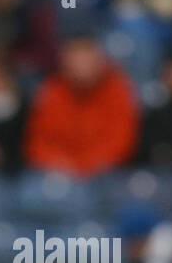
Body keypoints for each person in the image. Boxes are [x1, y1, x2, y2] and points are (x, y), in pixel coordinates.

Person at [23, 33, 139, 178]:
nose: (81, 66)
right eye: (76, 60)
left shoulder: (118, 89)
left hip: (106, 172)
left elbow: (122, 142)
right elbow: (38, 141)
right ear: (65, 62)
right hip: (58, 172)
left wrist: (84, 167)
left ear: (99, 60)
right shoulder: (52, 90)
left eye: (86, 59)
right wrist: (59, 163)